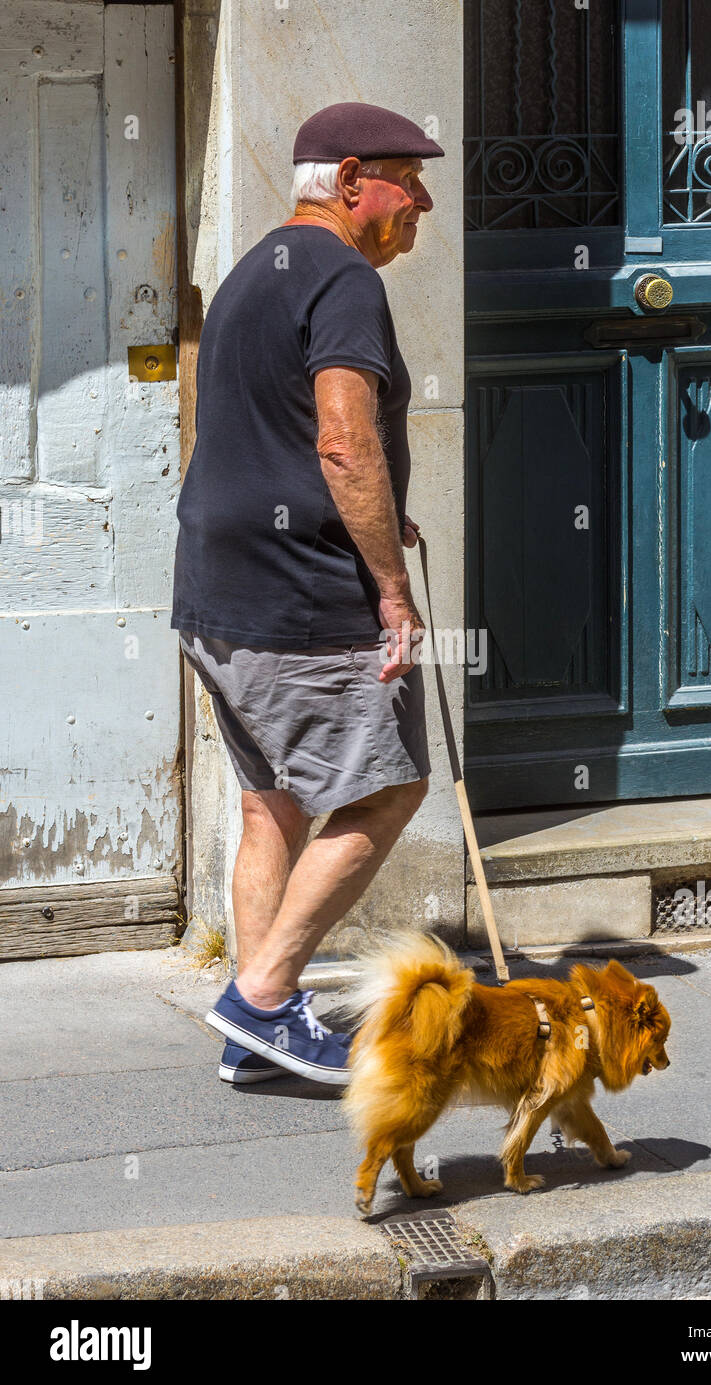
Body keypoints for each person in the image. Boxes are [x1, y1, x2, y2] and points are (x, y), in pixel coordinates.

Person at [170, 102, 444, 1085]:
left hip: (217, 589)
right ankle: (263, 997)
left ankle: (257, 1033)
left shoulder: (259, 268)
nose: (421, 203)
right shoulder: (339, 277)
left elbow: (272, 430)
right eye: (409, 181)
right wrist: (389, 587)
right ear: (353, 178)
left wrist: (381, 512)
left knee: (273, 807)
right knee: (388, 786)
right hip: (298, 598)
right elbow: (339, 435)